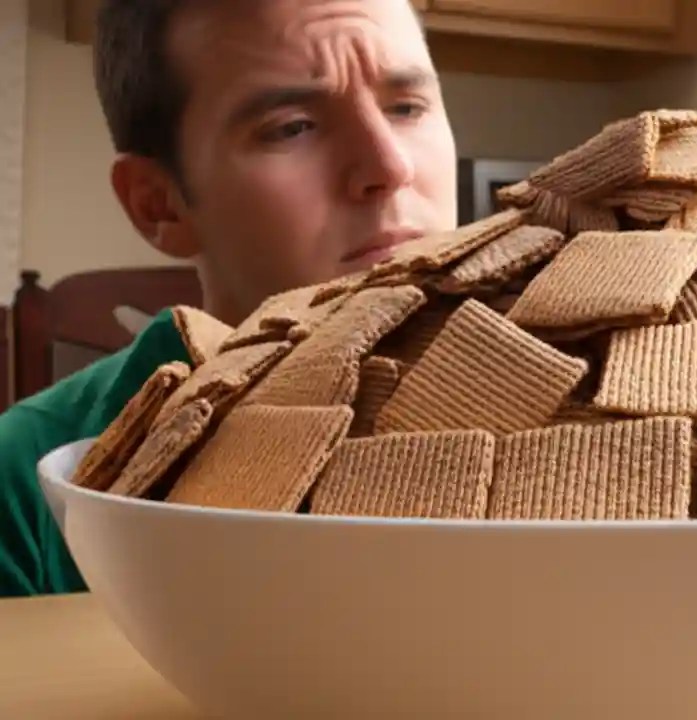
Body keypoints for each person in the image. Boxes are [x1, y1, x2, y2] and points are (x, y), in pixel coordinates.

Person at [0, 0, 459, 596]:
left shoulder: (595, 415)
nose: (389, 166)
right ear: (157, 204)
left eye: (406, 107)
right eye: (293, 126)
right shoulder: (21, 487)